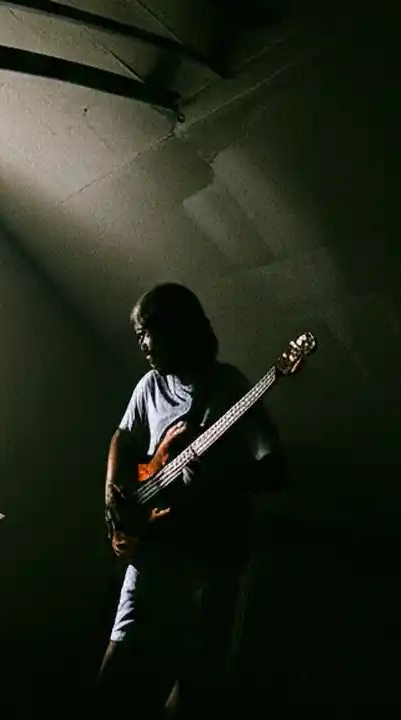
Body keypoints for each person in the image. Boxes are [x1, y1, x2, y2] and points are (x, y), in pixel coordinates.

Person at [99, 283, 289, 719]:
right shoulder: (150, 386)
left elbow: (276, 470)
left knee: (190, 690)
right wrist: (113, 492)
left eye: (148, 332)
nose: (142, 345)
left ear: (179, 329)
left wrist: (221, 478)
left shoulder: (231, 388)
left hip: (209, 561)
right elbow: (122, 437)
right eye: (139, 334)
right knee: (112, 677)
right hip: (153, 551)